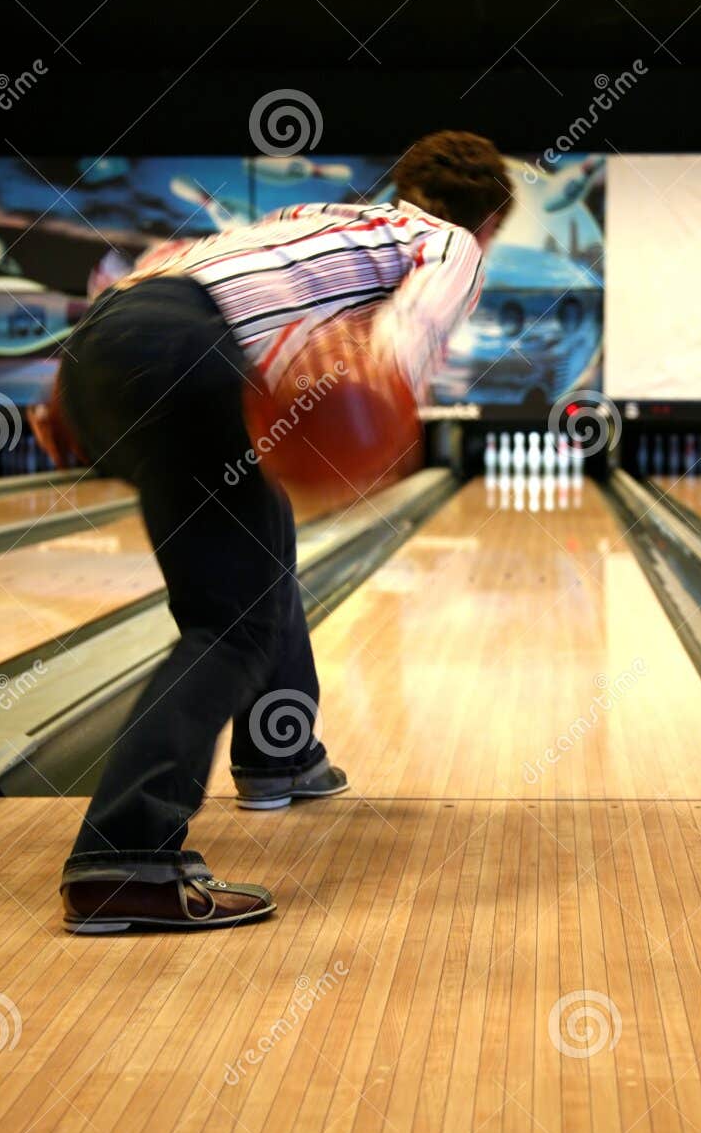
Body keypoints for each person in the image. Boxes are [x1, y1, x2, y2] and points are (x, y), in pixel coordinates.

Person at [34, 130, 513, 934]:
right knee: (233, 621)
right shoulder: (449, 243)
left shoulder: (303, 218)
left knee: (257, 543)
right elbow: (401, 344)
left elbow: (151, 273)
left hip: (100, 353)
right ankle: (128, 858)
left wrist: (62, 397)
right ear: (488, 220)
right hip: (189, 353)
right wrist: (374, 415)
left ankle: (279, 753)